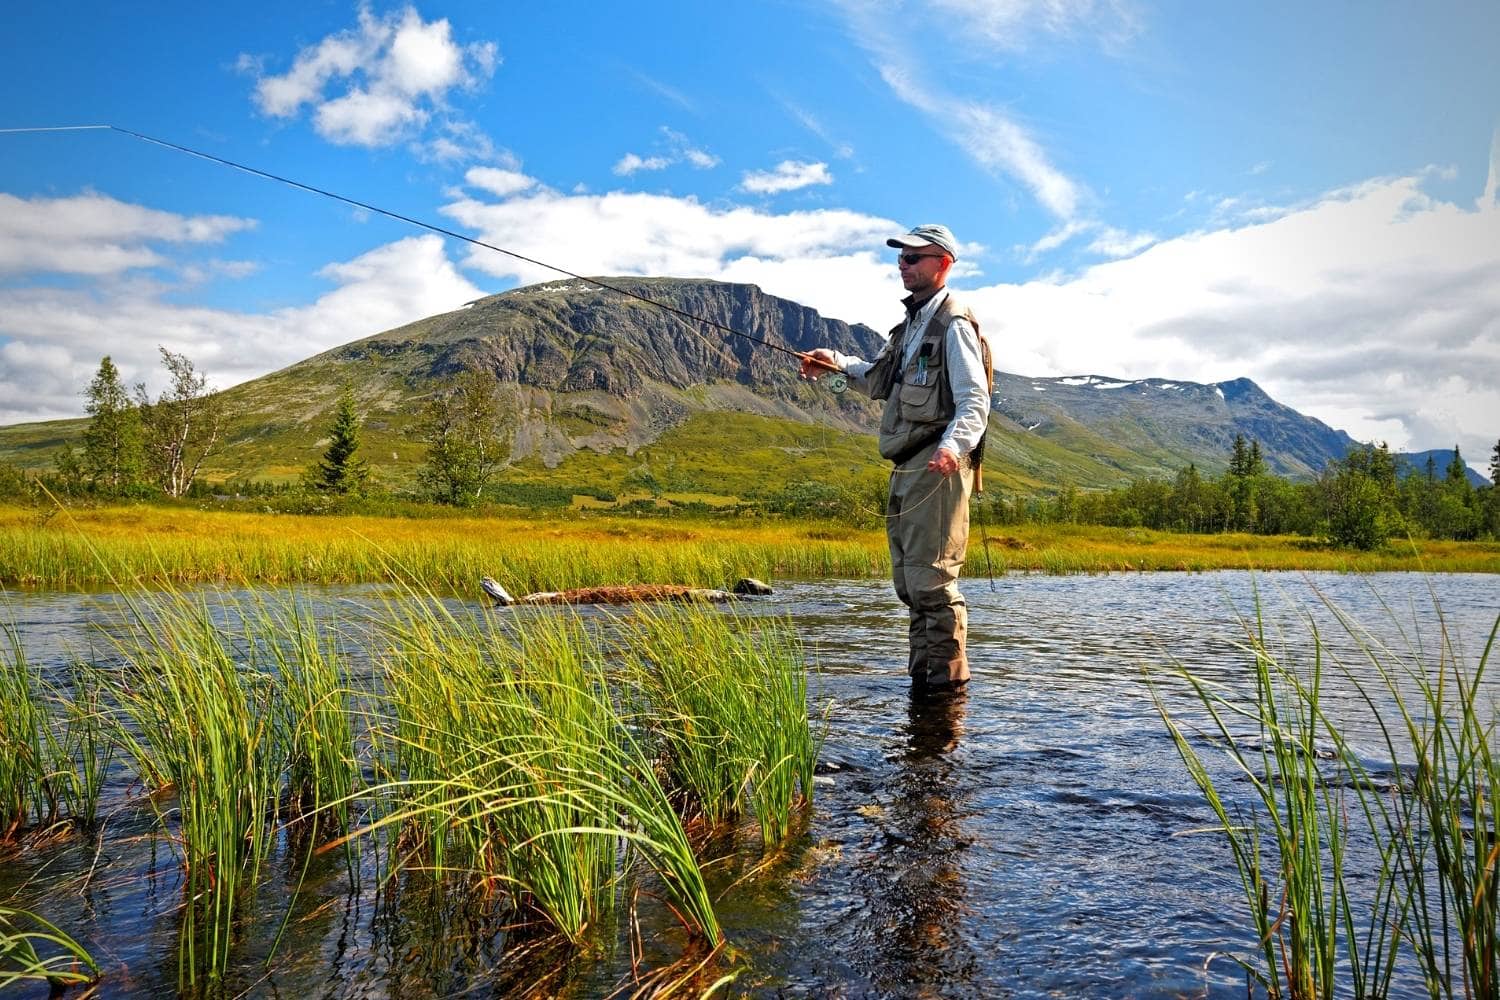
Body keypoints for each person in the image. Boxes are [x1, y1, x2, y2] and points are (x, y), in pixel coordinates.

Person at [800, 224, 991, 693]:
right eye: (901, 258)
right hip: (907, 466)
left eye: (913, 258)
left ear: (943, 263)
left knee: (933, 583)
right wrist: (833, 364)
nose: (902, 265)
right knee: (910, 585)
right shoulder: (909, 326)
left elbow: (975, 400)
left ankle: (947, 694)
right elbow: (876, 381)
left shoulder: (954, 323)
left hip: (937, 464)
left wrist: (952, 448)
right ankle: (923, 690)